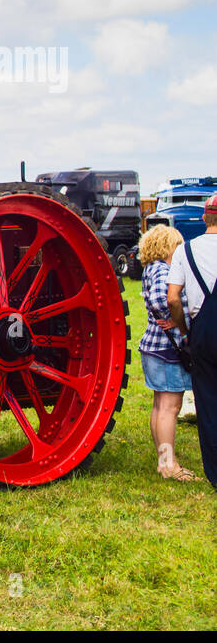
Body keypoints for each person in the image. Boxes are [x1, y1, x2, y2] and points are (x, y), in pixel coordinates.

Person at [136, 226, 195, 480]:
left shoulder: (150, 269)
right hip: (166, 347)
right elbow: (165, 301)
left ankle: (163, 458)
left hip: (153, 346)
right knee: (170, 407)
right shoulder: (163, 269)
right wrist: (179, 318)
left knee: (160, 406)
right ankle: (168, 465)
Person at [167, 193, 217, 489]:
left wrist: (185, 332)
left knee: (208, 402)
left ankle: (214, 472)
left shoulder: (186, 251)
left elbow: (173, 298)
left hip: (202, 332)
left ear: (203, 218)